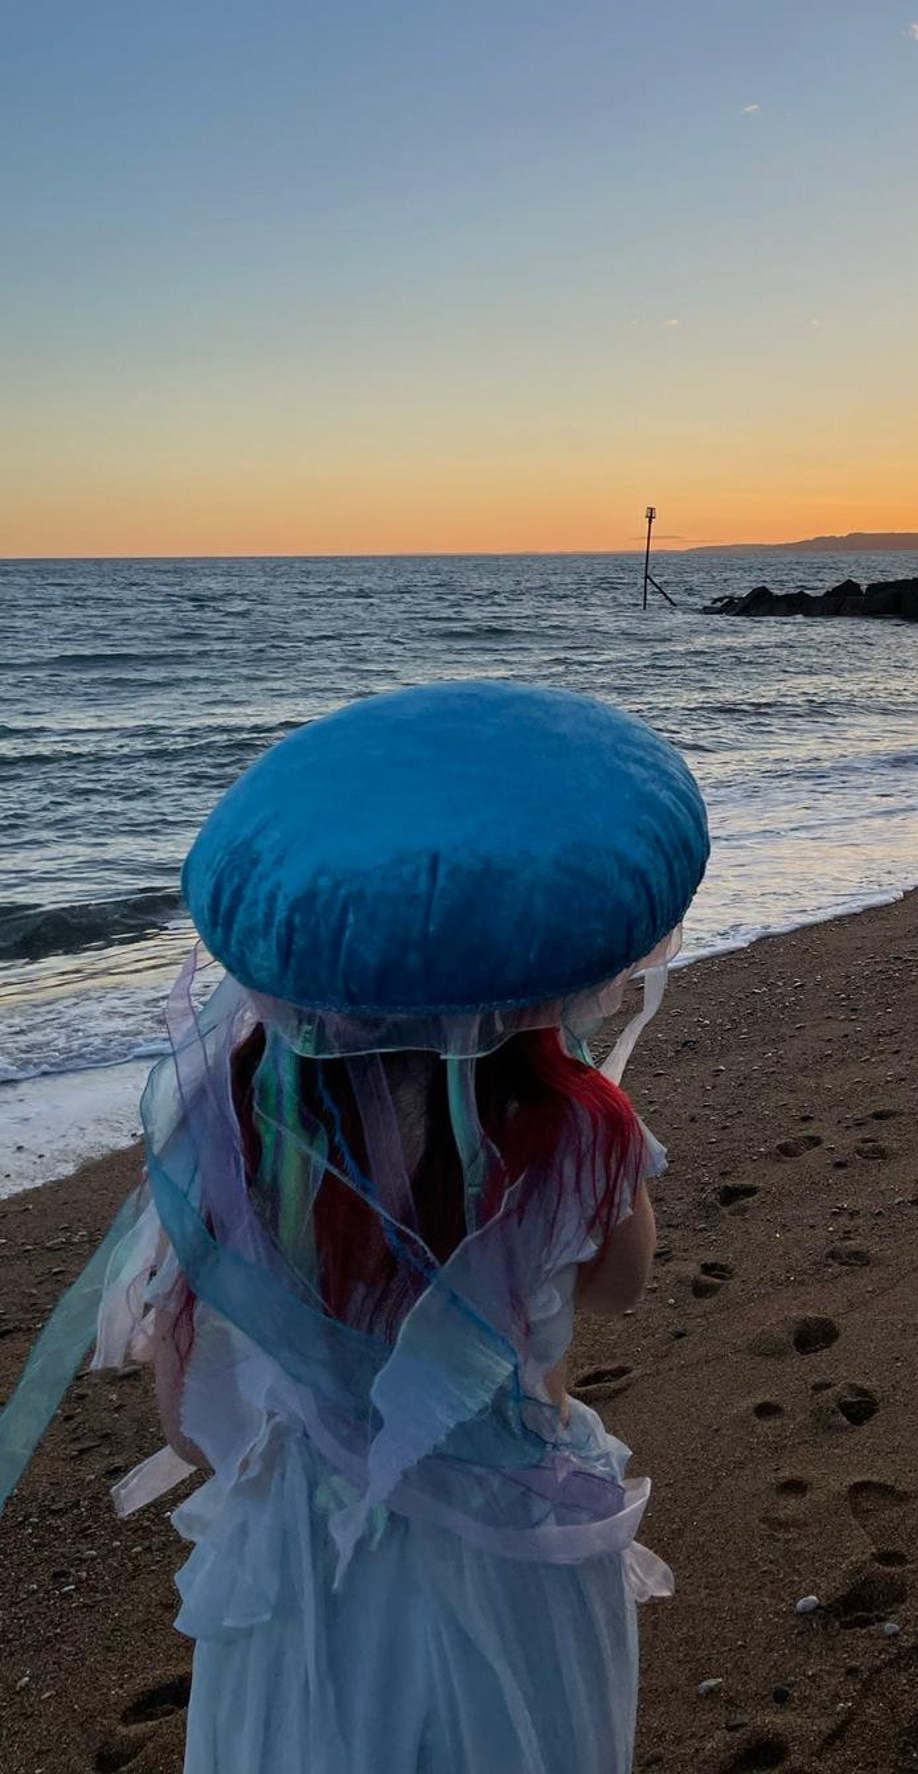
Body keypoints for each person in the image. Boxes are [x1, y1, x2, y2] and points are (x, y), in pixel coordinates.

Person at [0, 680, 710, 1774]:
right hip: (513, 1522)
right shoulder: (578, 1128)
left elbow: (189, 1424)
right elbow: (619, 1287)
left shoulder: (230, 1127)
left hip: (306, 1548)